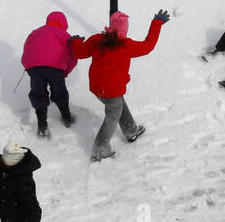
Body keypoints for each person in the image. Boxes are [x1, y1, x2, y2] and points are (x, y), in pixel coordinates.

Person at [70, 9, 169, 162]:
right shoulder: (126, 45)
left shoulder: (97, 40)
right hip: (112, 90)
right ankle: (101, 149)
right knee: (112, 116)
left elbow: (80, 53)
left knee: (117, 104)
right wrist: (157, 23)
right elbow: (148, 45)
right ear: (125, 30)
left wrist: (75, 41)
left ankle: (131, 130)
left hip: (97, 88)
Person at [21, 11, 80, 138]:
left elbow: (26, 49)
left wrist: (29, 67)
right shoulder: (64, 34)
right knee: (59, 92)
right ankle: (67, 118)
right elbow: (72, 56)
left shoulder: (35, 33)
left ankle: (42, 126)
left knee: (38, 93)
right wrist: (65, 71)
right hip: (56, 67)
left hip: (34, 67)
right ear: (64, 23)